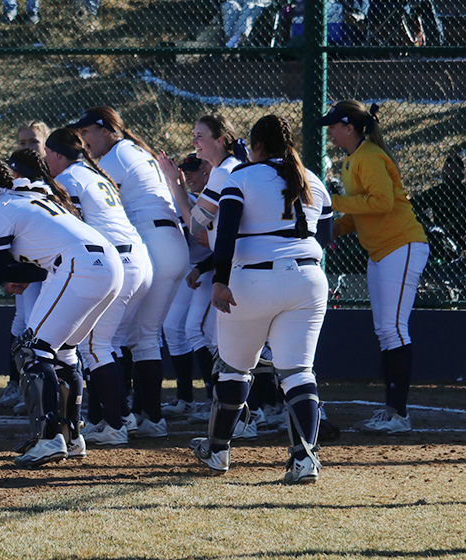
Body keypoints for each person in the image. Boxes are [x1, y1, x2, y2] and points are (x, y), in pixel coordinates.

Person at [0, 158, 122, 467]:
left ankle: (49, 439)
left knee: (32, 350)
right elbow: (35, 270)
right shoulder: (31, 199)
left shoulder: (0, 209)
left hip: (78, 267)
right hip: (108, 263)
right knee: (65, 352)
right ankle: (71, 436)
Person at [190, 114, 333, 483]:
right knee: (298, 371)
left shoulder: (243, 176)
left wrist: (219, 281)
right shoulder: (313, 180)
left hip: (252, 279)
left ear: (254, 146)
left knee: (235, 368)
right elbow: (326, 236)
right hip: (308, 278)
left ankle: (219, 450)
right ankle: (305, 460)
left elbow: (226, 233)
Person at [73, 106, 190, 438]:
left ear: (107, 129)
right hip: (172, 242)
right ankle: (150, 418)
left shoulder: (116, 156)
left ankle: (113, 418)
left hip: (150, 242)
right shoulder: (134, 150)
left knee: (108, 338)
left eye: (87, 132)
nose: (84, 140)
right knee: (145, 337)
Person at [319, 100, 430, 435]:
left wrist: (332, 202)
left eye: (334, 126)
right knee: (385, 330)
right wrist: (337, 226)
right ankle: (391, 411)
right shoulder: (352, 161)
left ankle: (399, 414)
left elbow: (381, 202)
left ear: (349, 127)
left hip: (402, 244)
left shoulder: (368, 156)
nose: (330, 132)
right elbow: (360, 211)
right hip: (382, 249)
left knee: (394, 328)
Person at [43, 128, 151, 447]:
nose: (45, 159)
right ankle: (122, 415)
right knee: (108, 344)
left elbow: (75, 228)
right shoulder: (92, 172)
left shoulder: (72, 177)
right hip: (138, 260)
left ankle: (115, 425)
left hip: (117, 262)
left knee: (93, 347)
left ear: (58, 154)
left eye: (48, 153)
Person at [158, 153, 215, 420]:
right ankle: (185, 397)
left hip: (212, 268)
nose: (188, 176)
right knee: (171, 327)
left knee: (196, 329)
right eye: (185, 171)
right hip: (192, 269)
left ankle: (215, 396)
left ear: (208, 171)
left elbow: (194, 227)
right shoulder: (185, 198)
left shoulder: (210, 194)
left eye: (194, 170)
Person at [0, 121, 51, 411]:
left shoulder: (57, 177)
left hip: (55, 266)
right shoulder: (12, 181)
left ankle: (47, 390)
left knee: (42, 326)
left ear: (45, 146)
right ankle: (16, 383)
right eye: (22, 143)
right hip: (28, 266)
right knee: (23, 322)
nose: (28, 147)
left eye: (34, 142)